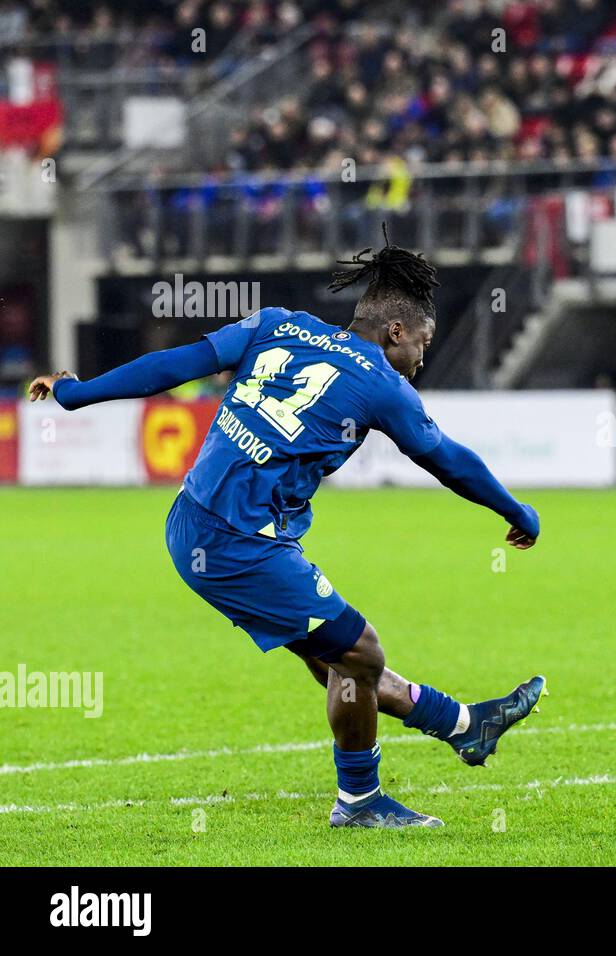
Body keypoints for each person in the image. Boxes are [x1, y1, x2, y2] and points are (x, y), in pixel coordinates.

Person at [28, 229, 546, 829]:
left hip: (192, 518)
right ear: (396, 331)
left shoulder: (276, 322)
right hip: (235, 541)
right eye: (423, 343)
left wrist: (77, 392)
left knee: (334, 657)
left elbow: (174, 365)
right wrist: (517, 511)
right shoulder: (382, 383)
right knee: (358, 652)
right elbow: (449, 459)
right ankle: (360, 802)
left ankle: (463, 725)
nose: (421, 359)